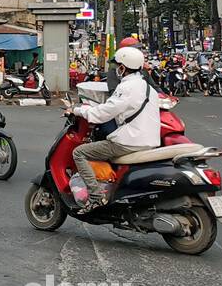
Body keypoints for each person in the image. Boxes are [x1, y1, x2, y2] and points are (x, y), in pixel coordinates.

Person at [67, 46, 160, 211]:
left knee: (79, 152)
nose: (116, 69)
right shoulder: (148, 88)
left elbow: (102, 114)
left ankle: (95, 198)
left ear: (123, 68)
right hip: (150, 140)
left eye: (117, 66)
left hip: (130, 141)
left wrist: (77, 109)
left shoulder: (126, 87)